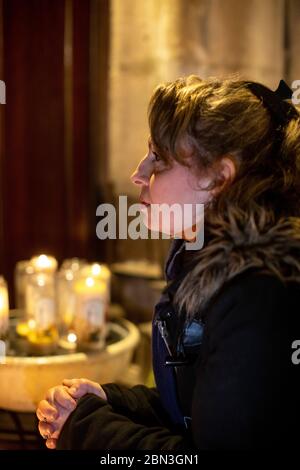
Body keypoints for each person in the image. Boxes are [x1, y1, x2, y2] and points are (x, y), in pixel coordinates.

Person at [37, 75, 300, 450]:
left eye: (158, 158)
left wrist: (84, 429)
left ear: (219, 179)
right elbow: (197, 411)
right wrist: (111, 400)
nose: (138, 174)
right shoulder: (206, 266)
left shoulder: (260, 297)